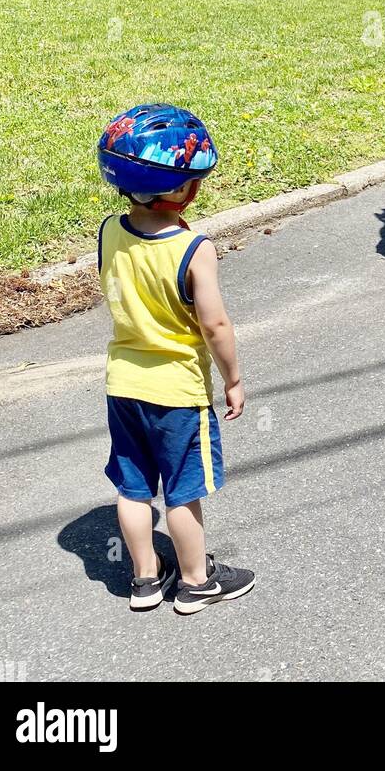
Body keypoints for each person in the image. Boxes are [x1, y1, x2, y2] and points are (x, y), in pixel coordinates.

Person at [96, 104, 255, 613]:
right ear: (182, 189)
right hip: (178, 393)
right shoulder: (194, 248)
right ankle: (195, 581)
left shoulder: (108, 232)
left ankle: (144, 580)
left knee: (133, 485)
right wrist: (233, 378)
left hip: (122, 385)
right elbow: (215, 325)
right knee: (182, 493)